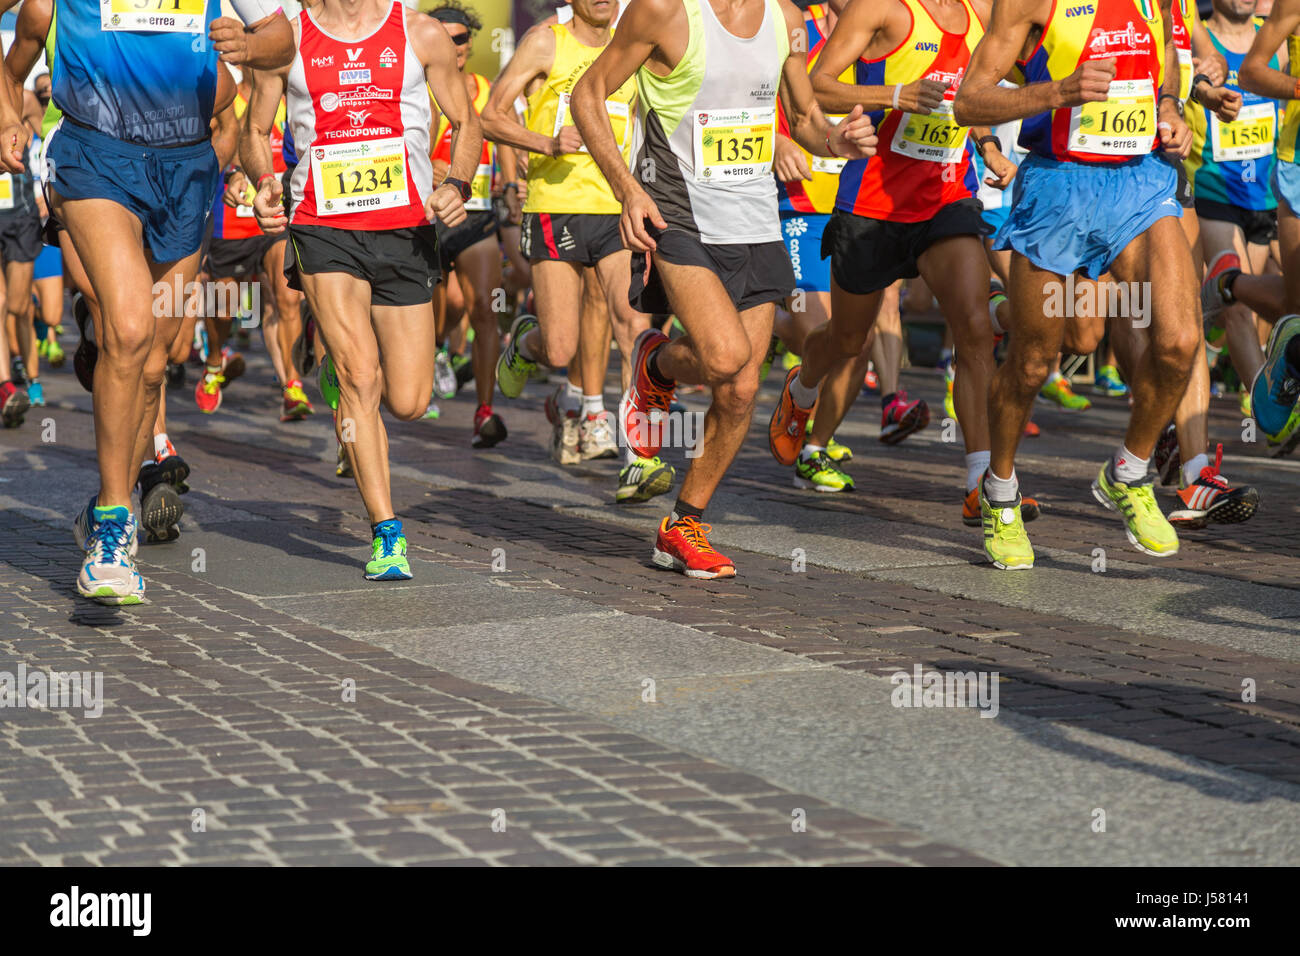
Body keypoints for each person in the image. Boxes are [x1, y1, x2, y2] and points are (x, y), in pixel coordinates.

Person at [572, 0, 877, 578]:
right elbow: (587, 95)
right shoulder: (663, 12)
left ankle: (683, 525)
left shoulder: (786, 17)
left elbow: (804, 115)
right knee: (725, 356)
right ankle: (657, 365)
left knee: (740, 391)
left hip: (756, 222)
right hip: (677, 215)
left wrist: (836, 141)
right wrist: (626, 190)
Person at [5, 0, 293, 604]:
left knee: (157, 361)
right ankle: (113, 526)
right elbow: (20, 48)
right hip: (94, 157)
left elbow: (282, 41)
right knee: (129, 329)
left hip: (187, 167)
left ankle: (104, 502)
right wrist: (9, 115)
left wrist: (248, 46)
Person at [954, 0, 1201, 568]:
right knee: (1034, 361)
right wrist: (1058, 91)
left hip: (1140, 181)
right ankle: (1000, 491)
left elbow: (1163, 64)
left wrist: (1170, 109)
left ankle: (1129, 472)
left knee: (1180, 339)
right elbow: (969, 101)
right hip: (1059, 187)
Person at [244, 0, 479, 581]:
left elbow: (467, 122)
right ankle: (386, 531)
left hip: (406, 230)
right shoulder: (286, 37)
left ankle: (337, 381)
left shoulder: (420, 32)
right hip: (323, 227)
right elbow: (254, 129)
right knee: (360, 376)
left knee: (408, 399)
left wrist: (461, 184)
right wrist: (264, 182)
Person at [770, 0, 1023, 529]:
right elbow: (817, 85)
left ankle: (983, 482)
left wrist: (990, 147)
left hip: (946, 200)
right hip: (873, 206)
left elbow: (967, 101)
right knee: (845, 340)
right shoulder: (882, 8)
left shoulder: (981, 16)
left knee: (976, 330)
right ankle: (802, 389)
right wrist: (895, 95)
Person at [484, 0, 669, 502]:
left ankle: (639, 455)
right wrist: (547, 143)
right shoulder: (546, 41)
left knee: (633, 323)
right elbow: (491, 116)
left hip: (616, 206)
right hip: (555, 209)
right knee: (559, 347)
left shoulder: (632, 43)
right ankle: (525, 342)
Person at [427, 2, 507, 448]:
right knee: (443, 308)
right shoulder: (419, 90)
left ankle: (485, 409)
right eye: (444, 37)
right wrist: (428, 168)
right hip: (430, 217)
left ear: (470, 42)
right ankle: (434, 354)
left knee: (485, 309)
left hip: (474, 216)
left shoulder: (482, 88)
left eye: (460, 38)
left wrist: (512, 183)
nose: (454, 46)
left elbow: (501, 134)